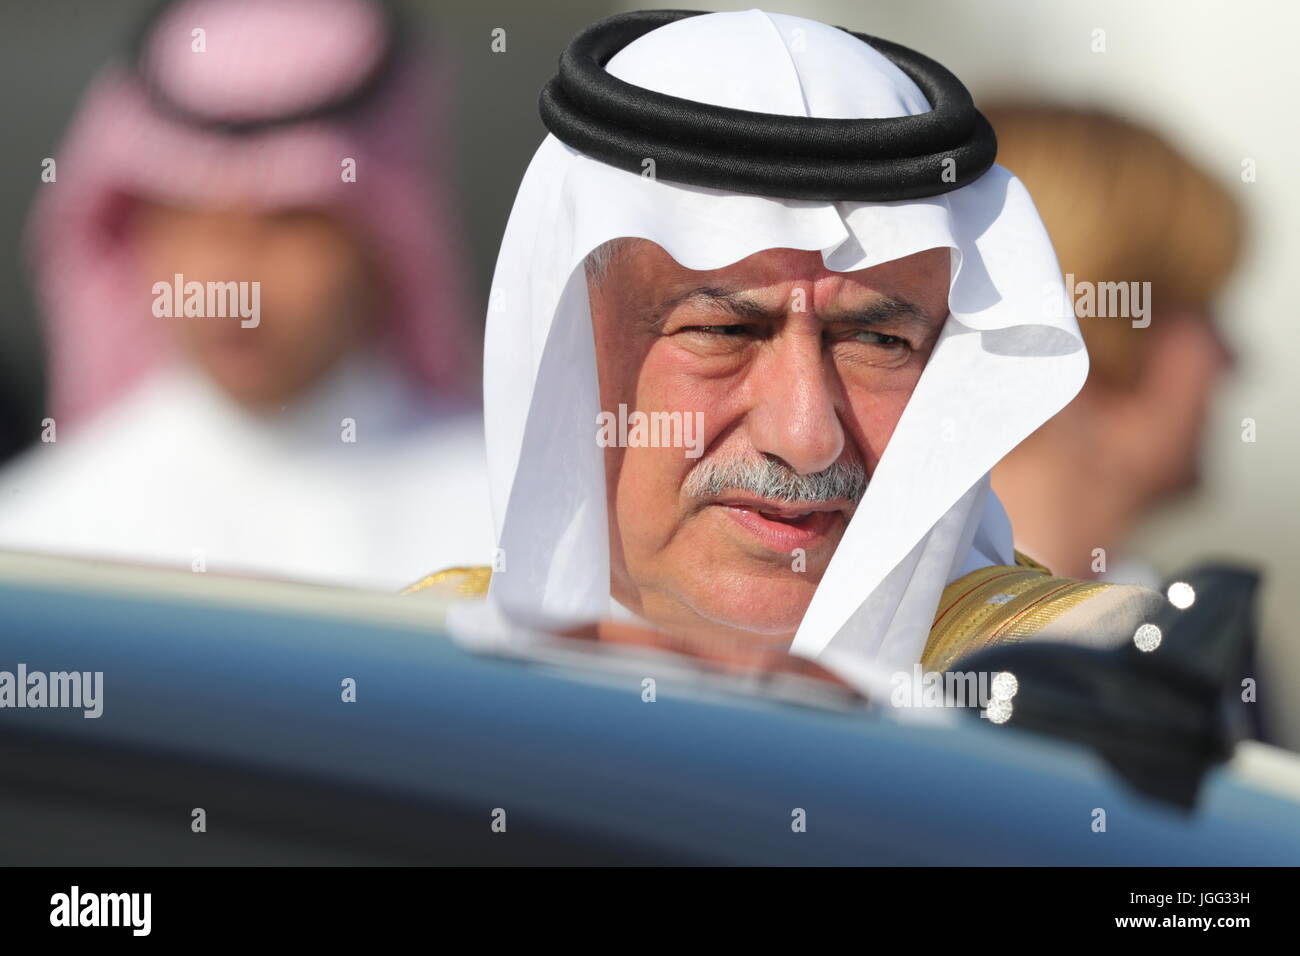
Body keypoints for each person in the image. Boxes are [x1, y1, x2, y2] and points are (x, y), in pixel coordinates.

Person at [411, 9, 1165, 684]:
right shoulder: (418, 679)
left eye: (877, 339)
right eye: (723, 332)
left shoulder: (1075, 689)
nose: (806, 436)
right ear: (567, 341)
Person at [0, 0, 493, 589]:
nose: (228, 282)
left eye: (287, 221)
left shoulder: (520, 522)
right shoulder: (38, 540)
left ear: (383, 235)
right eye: (186, 219)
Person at [985, 103, 1243, 586]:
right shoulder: (897, 649)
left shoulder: (1166, 637)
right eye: (1200, 306)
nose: (1233, 359)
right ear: (1101, 334)